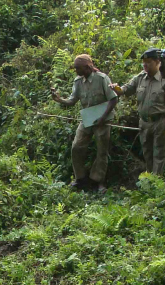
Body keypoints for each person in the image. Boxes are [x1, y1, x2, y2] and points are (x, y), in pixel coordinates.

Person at [50, 54, 119, 192]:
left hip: (103, 120)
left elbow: (113, 99)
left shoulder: (102, 79)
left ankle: (98, 181)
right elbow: (72, 100)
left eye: (78, 68)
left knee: (102, 151)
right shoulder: (78, 81)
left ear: (87, 67)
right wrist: (59, 99)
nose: (76, 71)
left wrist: (103, 117)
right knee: (76, 147)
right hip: (87, 118)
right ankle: (80, 178)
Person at [111, 48, 165, 176]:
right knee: (147, 152)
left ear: (158, 62)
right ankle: (149, 177)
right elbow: (126, 89)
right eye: (144, 62)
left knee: (159, 153)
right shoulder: (140, 78)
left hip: (160, 121)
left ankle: (157, 180)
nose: (145, 65)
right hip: (144, 122)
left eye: (149, 62)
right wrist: (117, 89)